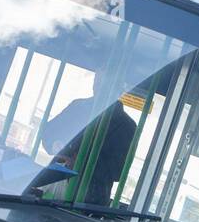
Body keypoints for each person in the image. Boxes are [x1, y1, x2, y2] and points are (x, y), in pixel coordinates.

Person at [41, 70, 136, 206]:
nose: (98, 87)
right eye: (97, 82)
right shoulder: (77, 107)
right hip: (55, 180)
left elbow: (118, 171)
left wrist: (81, 163)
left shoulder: (126, 126)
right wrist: (56, 144)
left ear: (119, 89)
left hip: (89, 197)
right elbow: (48, 132)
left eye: (105, 85)